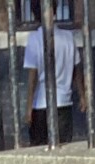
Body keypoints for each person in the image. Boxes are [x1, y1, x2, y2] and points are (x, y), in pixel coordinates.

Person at [24, 4, 82, 145]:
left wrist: (28, 107)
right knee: (63, 146)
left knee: (39, 149)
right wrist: (82, 95)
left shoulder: (34, 39)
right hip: (64, 102)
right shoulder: (69, 37)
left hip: (41, 104)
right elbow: (77, 70)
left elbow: (33, 77)